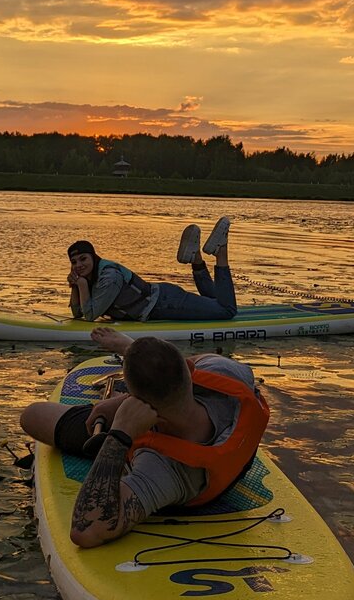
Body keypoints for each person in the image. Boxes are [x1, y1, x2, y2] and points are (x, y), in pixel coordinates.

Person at [19, 327, 270, 548]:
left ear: (139, 403)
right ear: (189, 371)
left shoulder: (162, 470)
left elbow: (86, 532)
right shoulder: (225, 372)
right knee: (161, 369)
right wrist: (122, 400)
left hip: (150, 445)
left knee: (32, 415)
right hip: (184, 413)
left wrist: (119, 434)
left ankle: (132, 353)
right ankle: (130, 349)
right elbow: (180, 368)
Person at [67, 216, 237, 322]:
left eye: (83, 259)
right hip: (162, 301)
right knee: (217, 302)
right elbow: (77, 314)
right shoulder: (93, 276)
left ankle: (221, 252)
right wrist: (75, 285)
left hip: (167, 303)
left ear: (93, 258)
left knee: (226, 311)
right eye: (74, 262)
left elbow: (89, 316)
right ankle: (196, 259)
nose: (78, 265)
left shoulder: (109, 278)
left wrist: (81, 284)